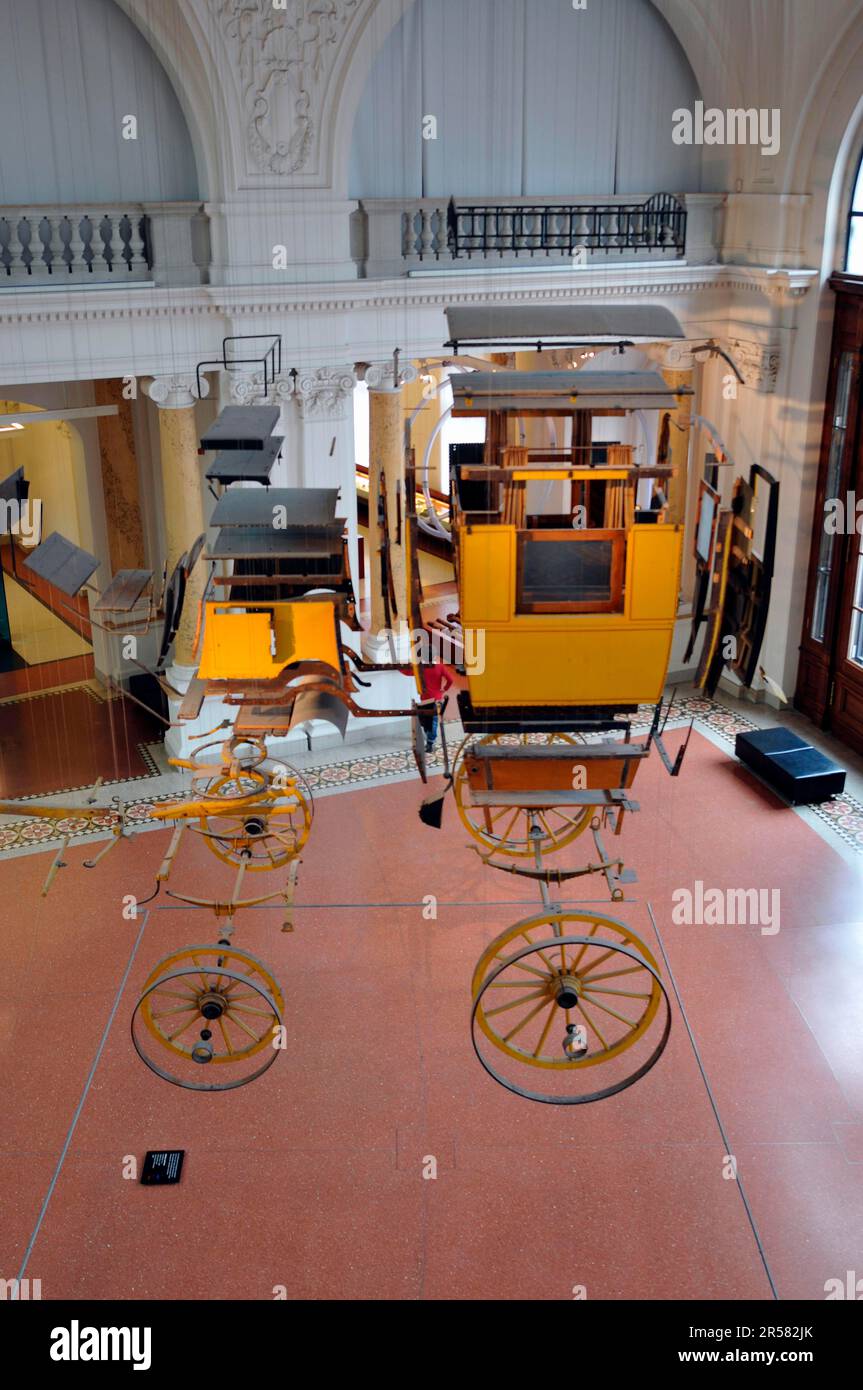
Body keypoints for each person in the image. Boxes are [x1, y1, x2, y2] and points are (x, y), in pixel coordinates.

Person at [419, 662, 454, 753]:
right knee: (433, 721)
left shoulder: (420, 667)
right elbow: (450, 680)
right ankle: (430, 741)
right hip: (437, 699)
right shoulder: (440, 666)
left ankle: (430, 741)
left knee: (427, 720)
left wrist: (397, 666)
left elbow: (407, 672)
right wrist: (444, 689)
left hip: (425, 700)